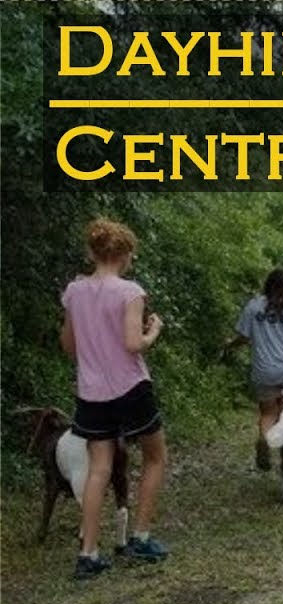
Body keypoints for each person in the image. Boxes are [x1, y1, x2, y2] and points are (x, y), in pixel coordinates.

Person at [60, 217, 170, 580]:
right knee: (155, 456)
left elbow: (69, 346)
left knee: (99, 469)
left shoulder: (74, 292)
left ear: (92, 252)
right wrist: (152, 330)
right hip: (131, 387)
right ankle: (139, 537)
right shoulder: (129, 292)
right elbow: (132, 344)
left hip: (91, 392)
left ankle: (88, 553)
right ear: (124, 254)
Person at [225, 269, 283, 470]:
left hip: (264, 370)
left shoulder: (254, 306)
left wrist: (229, 345)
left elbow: (243, 337)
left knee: (268, 413)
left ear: (267, 284)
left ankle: (264, 441)